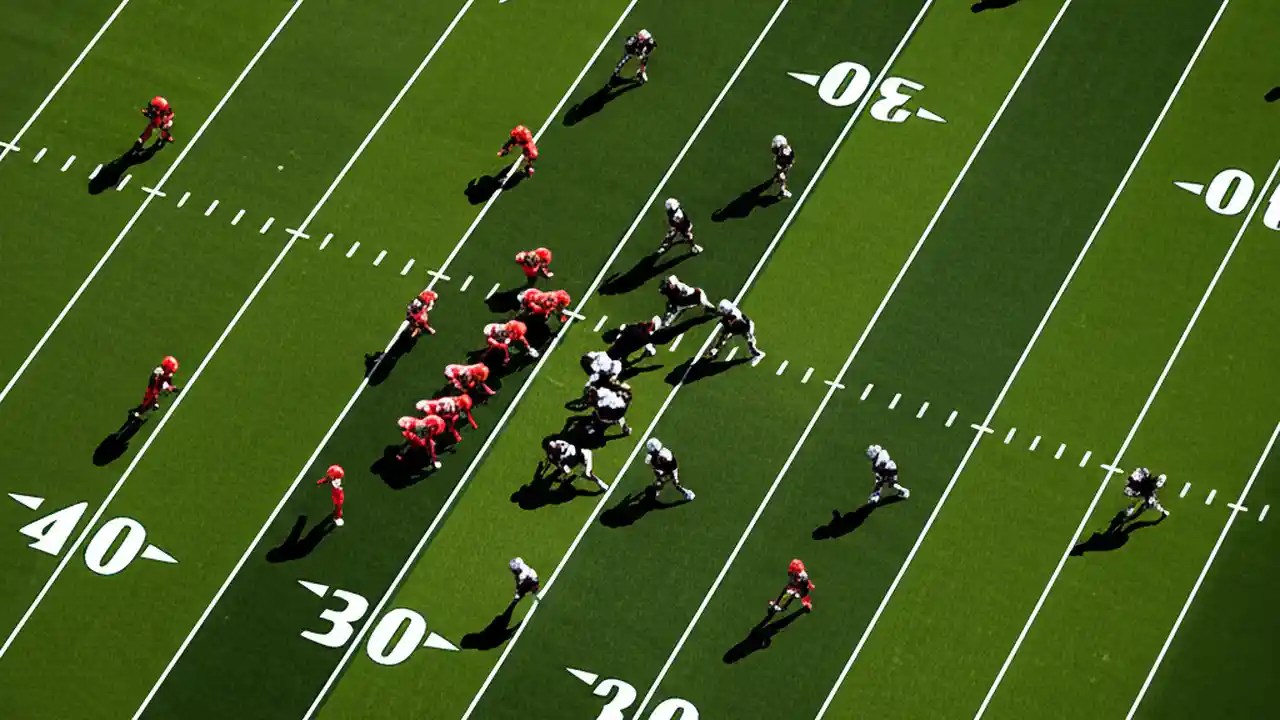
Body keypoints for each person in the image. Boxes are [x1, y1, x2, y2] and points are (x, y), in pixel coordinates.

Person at [542, 439, 607, 489]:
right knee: (588, 475)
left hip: (584, 455)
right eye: (554, 447)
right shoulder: (552, 456)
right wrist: (563, 468)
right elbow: (559, 465)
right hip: (576, 464)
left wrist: (563, 462)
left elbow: (571, 451)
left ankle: (600, 483)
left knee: (588, 473)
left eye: (556, 445)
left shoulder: (562, 445)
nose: (557, 446)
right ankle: (599, 482)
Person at [770, 134, 795, 199]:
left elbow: (791, 158)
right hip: (781, 161)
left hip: (786, 160)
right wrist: (780, 172)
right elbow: (778, 163)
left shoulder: (788, 151)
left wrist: (788, 165)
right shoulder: (778, 151)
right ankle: (783, 191)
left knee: (784, 172)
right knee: (782, 177)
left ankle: (780, 182)